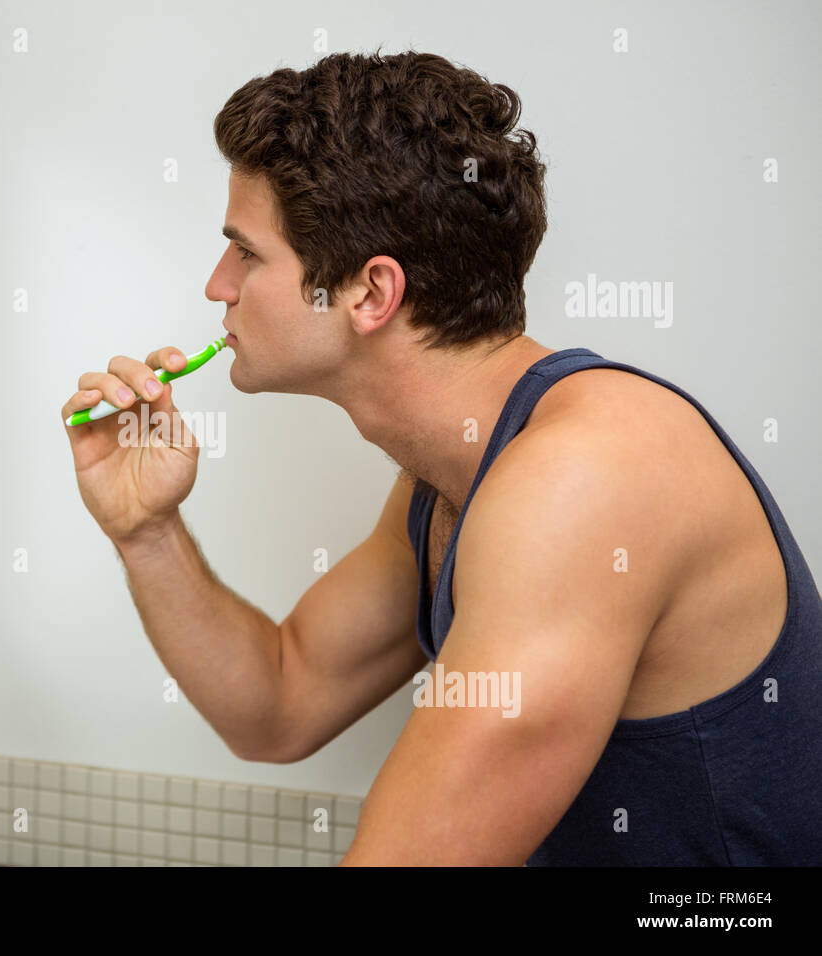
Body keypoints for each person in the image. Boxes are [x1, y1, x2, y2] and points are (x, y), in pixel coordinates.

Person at [60, 50, 822, 865]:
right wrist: (148, 532)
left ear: (370, 293)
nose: (218, 286)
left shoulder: (584, 480)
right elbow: (279, 707)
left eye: (245, 252)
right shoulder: (450, 476)